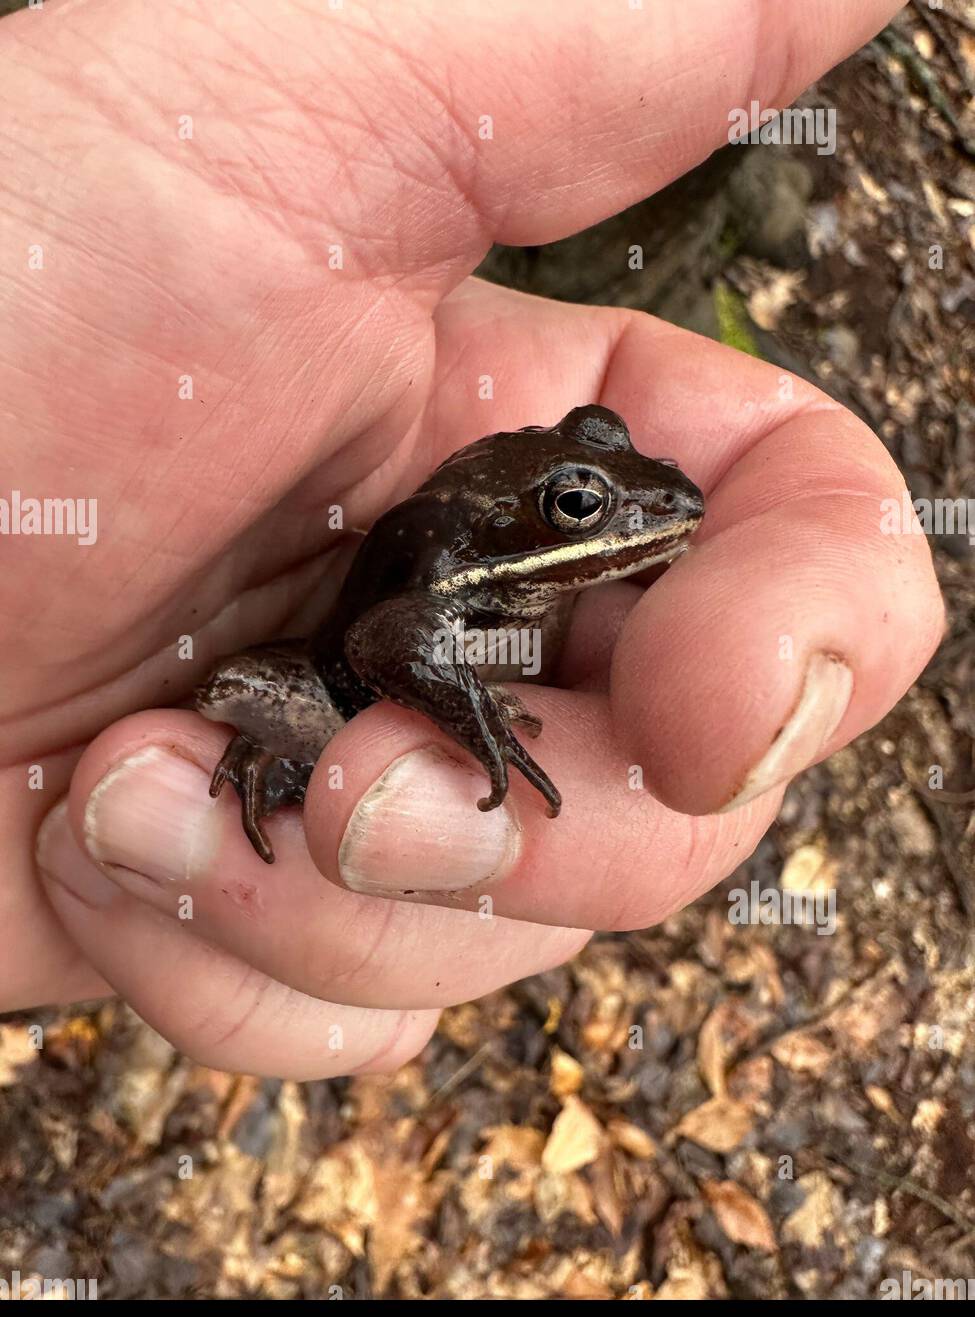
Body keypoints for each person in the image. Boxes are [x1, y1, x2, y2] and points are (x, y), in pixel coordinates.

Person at [1, 0, 941, 1078]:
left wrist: (650, 558)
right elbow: (385, 641)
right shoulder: (470, 575)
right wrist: (473, 705)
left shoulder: (542, 550)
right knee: (233, 701)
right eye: (586, 504)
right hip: (336, 669)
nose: (631, 502)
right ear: (538, 518)